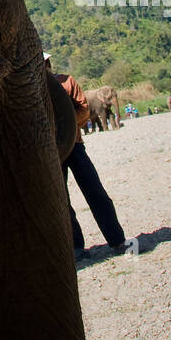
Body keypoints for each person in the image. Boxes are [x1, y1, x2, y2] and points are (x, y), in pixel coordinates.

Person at [43, 55, 127, 262]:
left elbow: (84, 110)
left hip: (74, 144)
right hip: (51, 150)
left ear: (48, 64)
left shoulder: (67, 82)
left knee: (95, 191)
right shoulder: (32, 88)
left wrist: (65, 125)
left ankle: (117, 239)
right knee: (62, 200)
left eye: (43, 63)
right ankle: (76, 247)